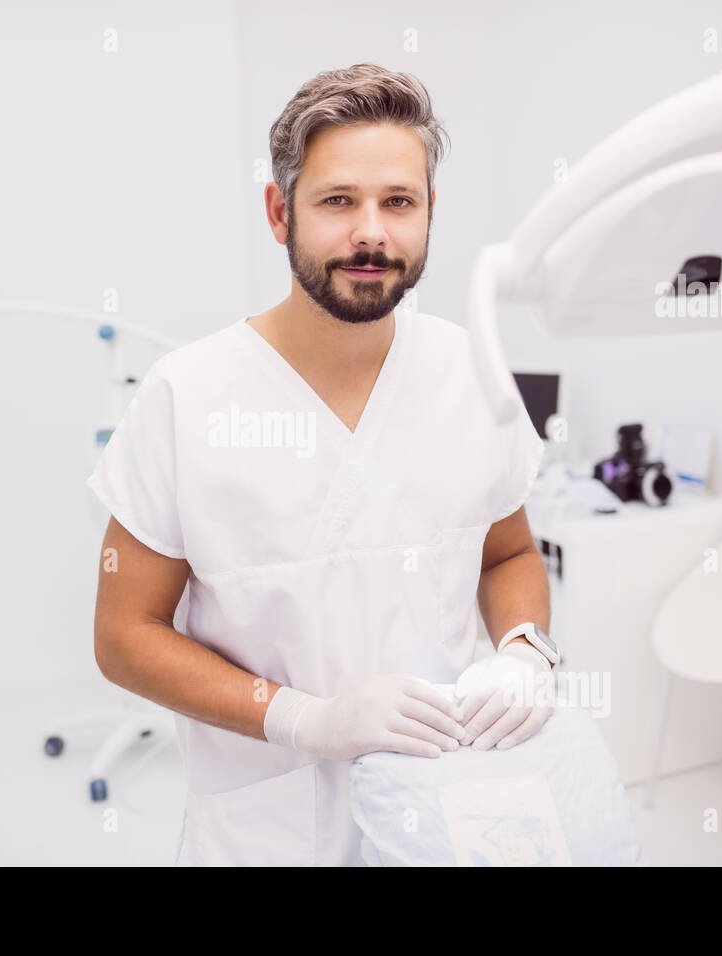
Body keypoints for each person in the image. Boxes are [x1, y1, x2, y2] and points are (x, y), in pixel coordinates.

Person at [88, 62, 554, 866]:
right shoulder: (187, 397)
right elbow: (125, 634)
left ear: (430, 213)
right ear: (280, 212)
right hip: (263, 830)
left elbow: (508, 551)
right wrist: (306, 719)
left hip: (436, 813)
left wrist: (523, 647)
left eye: (398, 202)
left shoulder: (471, 372)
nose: (371, 232)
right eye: (338, 200)